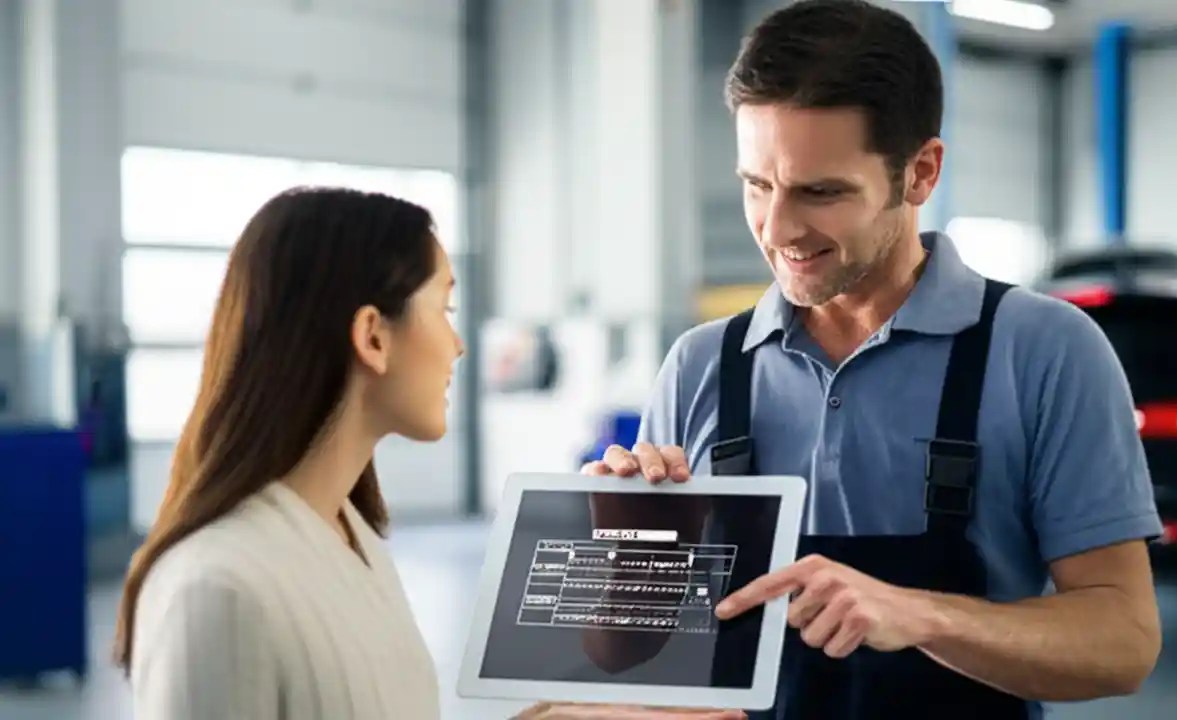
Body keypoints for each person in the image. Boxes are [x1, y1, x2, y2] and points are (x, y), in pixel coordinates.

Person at [587, 1, 1164, 719]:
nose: (778, 229)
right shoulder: (701, 364)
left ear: (920, 173)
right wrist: (616, 550)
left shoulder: (1046, 350)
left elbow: (1123, 642)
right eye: (756, 185)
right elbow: (631, 652)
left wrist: (923, 617)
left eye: (820, 192)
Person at [113, 186, 738, 720]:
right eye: (444, 308)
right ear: (373, 337)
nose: (459, 345)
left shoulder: (349, 536)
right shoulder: (215, 591)